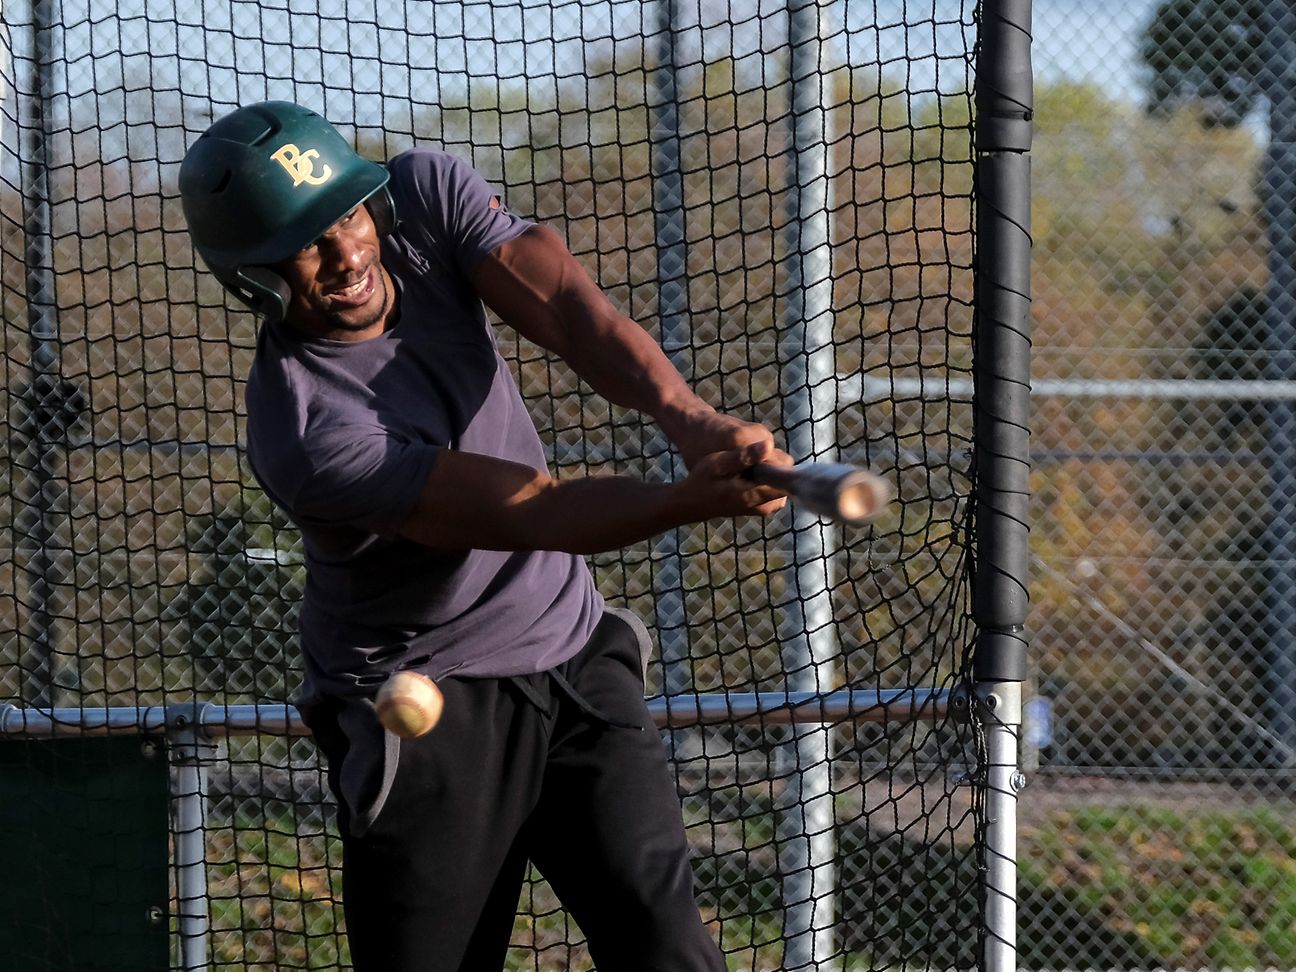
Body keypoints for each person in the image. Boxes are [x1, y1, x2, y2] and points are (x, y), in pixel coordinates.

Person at [179, 100, 791, 971]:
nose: (348, 253)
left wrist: (687, 416)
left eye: (347, 214)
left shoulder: (424, 199)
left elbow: (573, 313)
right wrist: (691, 499)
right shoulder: (307, 432)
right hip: (426, 704)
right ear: (253, 279)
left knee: (668, 948)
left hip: (572, 655)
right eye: (306, 242)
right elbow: (528, 512)